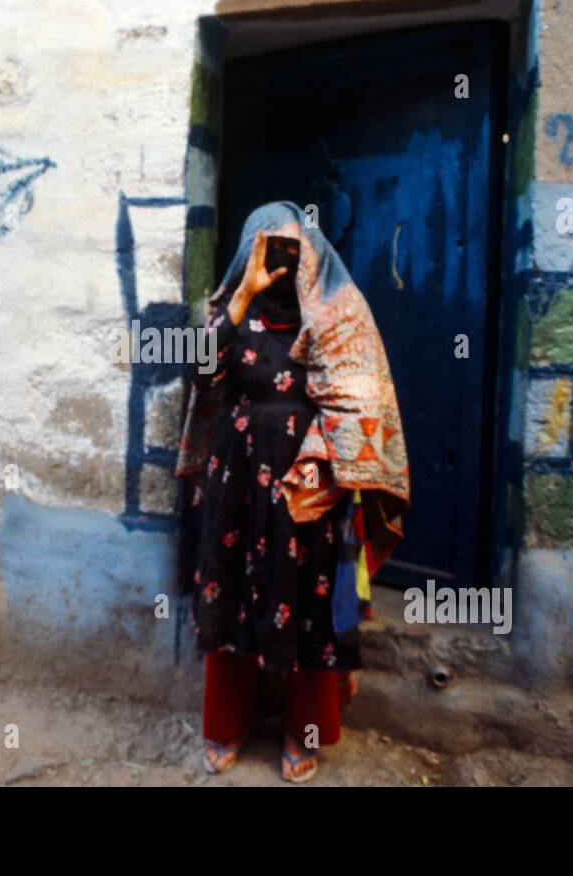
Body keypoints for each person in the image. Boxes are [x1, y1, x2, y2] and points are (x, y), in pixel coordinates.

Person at [176, 201, 410, 783]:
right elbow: (202, 376)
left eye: (292, 248)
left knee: (305, 601)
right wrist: (240, 295)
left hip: (310, 487)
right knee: (233, 592)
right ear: (247, 253)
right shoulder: (231, 312)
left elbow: (364, 400)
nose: (283, 262)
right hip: (238, 482)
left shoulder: (338, 313)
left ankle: (299, 730)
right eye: (268, 249)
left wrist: (322, 467)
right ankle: (229, 723)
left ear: (313, 251)